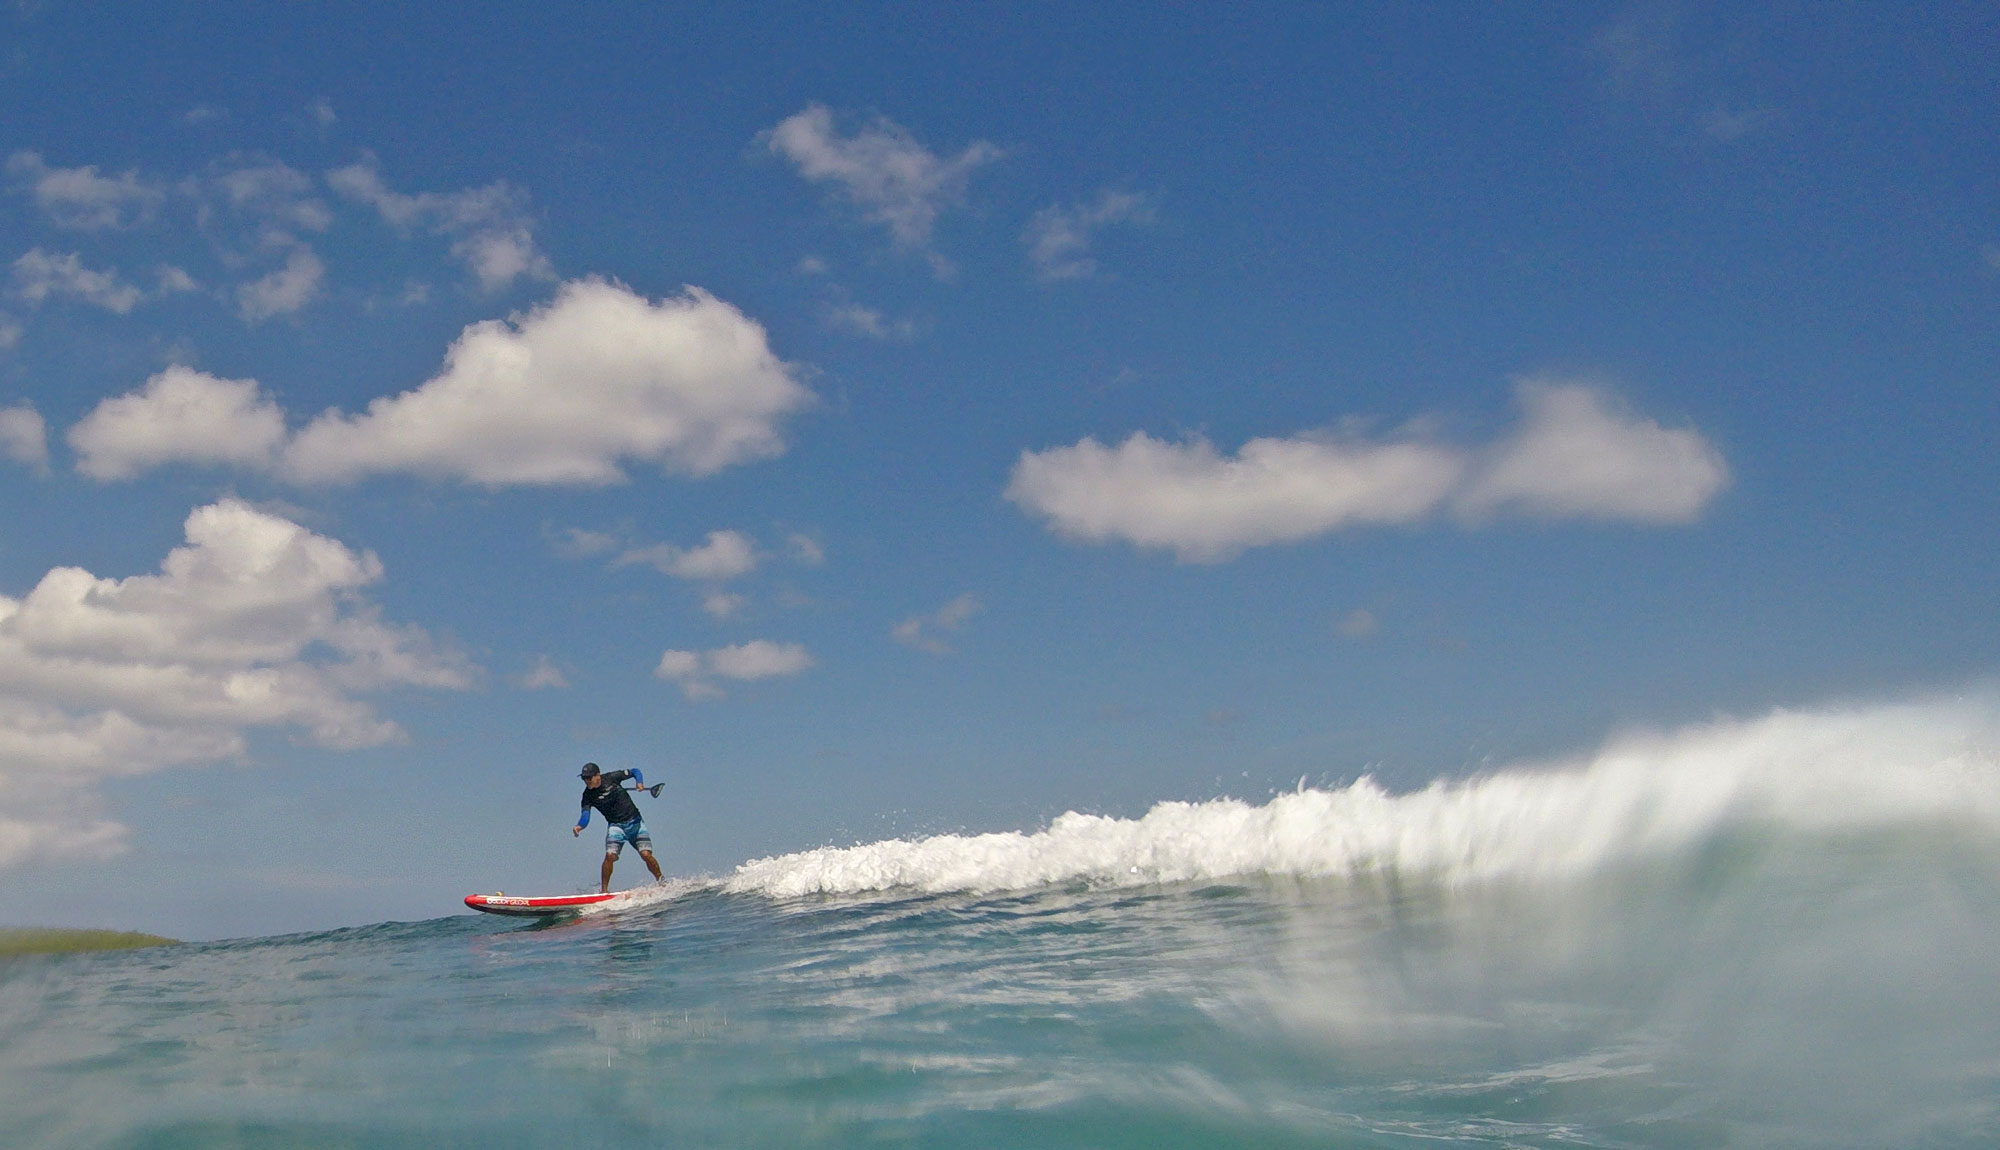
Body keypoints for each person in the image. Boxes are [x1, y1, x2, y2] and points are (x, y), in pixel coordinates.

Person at [572, 762, 663, 892]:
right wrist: (579, 826)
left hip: (635, 822)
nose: (586, 781)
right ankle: (604, 892)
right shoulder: (587, 795)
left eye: (588, 777)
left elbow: (635, 771)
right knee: (609, 856)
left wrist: (639, 782)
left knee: (645, 854)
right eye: (584, 778)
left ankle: (661, 882)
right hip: (616, 826)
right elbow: (585, 815)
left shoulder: (612, 777)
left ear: (597, 775)